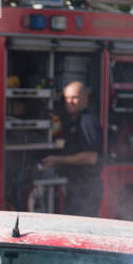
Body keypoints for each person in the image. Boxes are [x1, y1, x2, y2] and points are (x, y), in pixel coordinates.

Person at [40, 81, 104, 218]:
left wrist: (57, 160)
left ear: (85, 99)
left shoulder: (87, 121)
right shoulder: (74, 121)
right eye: (67, 98)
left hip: (87, 189)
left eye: (74, 98)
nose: (70, 102)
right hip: (77, 188)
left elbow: (91, 157)